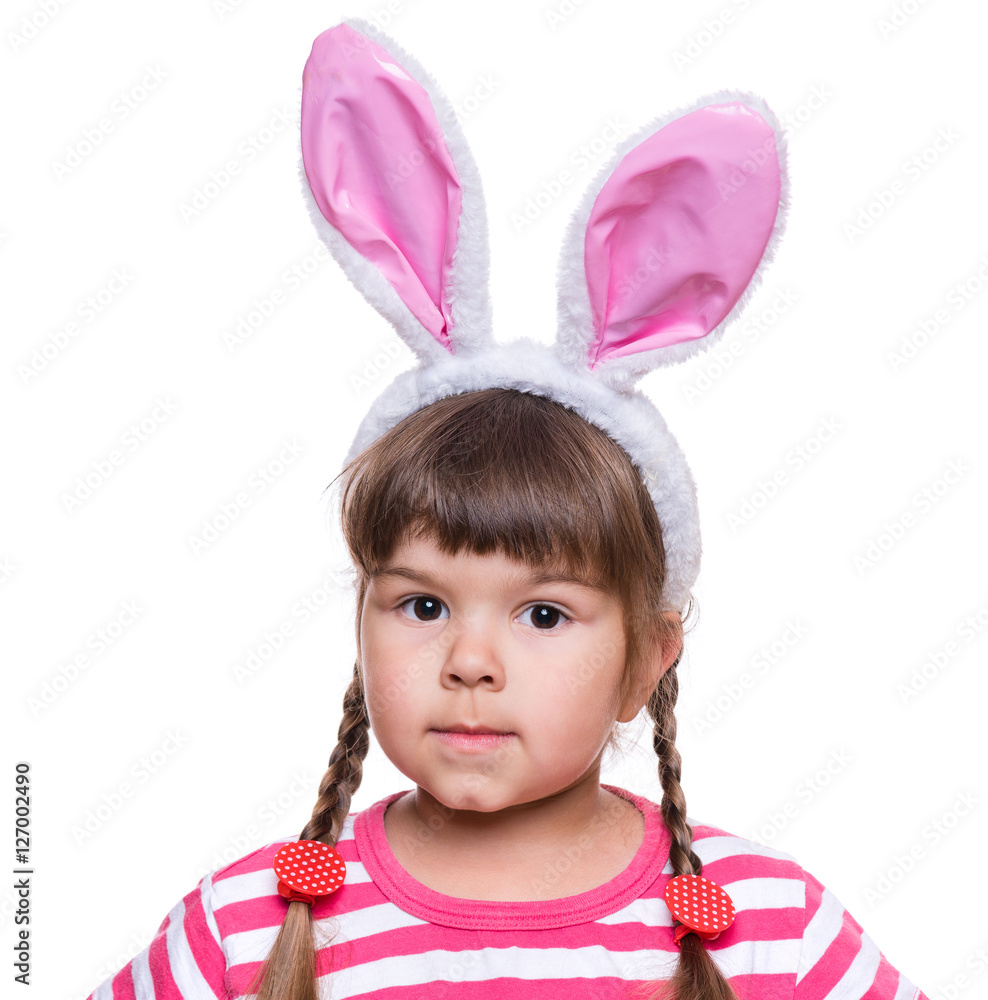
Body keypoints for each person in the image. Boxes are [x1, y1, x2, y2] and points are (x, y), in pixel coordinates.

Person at [86, 19, 930, 1000]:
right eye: (423, 604)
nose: (469, 662)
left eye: (543, 613)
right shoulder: (243, 932)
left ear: (647, 659)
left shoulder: (774, 934)